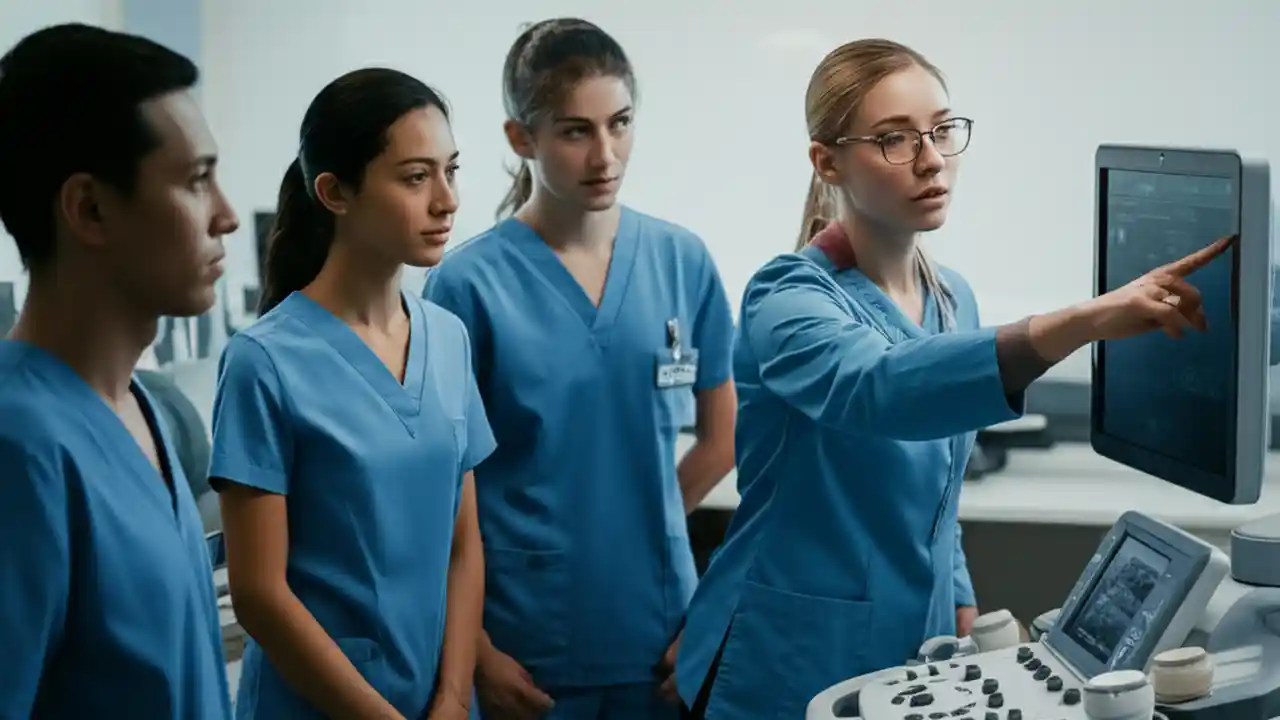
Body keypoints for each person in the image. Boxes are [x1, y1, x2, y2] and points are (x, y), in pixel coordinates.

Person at [673, 38, 1234, 719]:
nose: (932, 159)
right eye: (894, 139)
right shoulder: (785, 299)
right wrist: (1083, 321)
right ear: (827, 161)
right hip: (786, 656)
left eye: (942, 130)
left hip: (916, 641)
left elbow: (938, 482)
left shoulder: (951, 300)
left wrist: (960, 597)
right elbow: (883, 390)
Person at [424, 18, 737, 720]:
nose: (606, 154)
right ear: (520, 139)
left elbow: (724, 438)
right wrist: (474, 650)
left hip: (659, 635)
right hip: (524, 643)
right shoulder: (467, 287)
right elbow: (435, 495)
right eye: (575, 131)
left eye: (620, 123)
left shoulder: (681, 260)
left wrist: (647, 530)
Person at [209, 68, 492, 719]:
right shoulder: (265, 361)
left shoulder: (447, 339)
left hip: (438, 699)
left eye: (452, 170)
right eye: (416, 177)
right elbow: (258, 592)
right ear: (334, 192)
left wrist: (452, 697)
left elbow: (463, 545)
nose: (446, 200)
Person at [0, 23, 239, 718]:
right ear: (90, 208)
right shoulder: (20, 448)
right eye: (196, 180)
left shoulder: (148, 408)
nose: (225, 214)